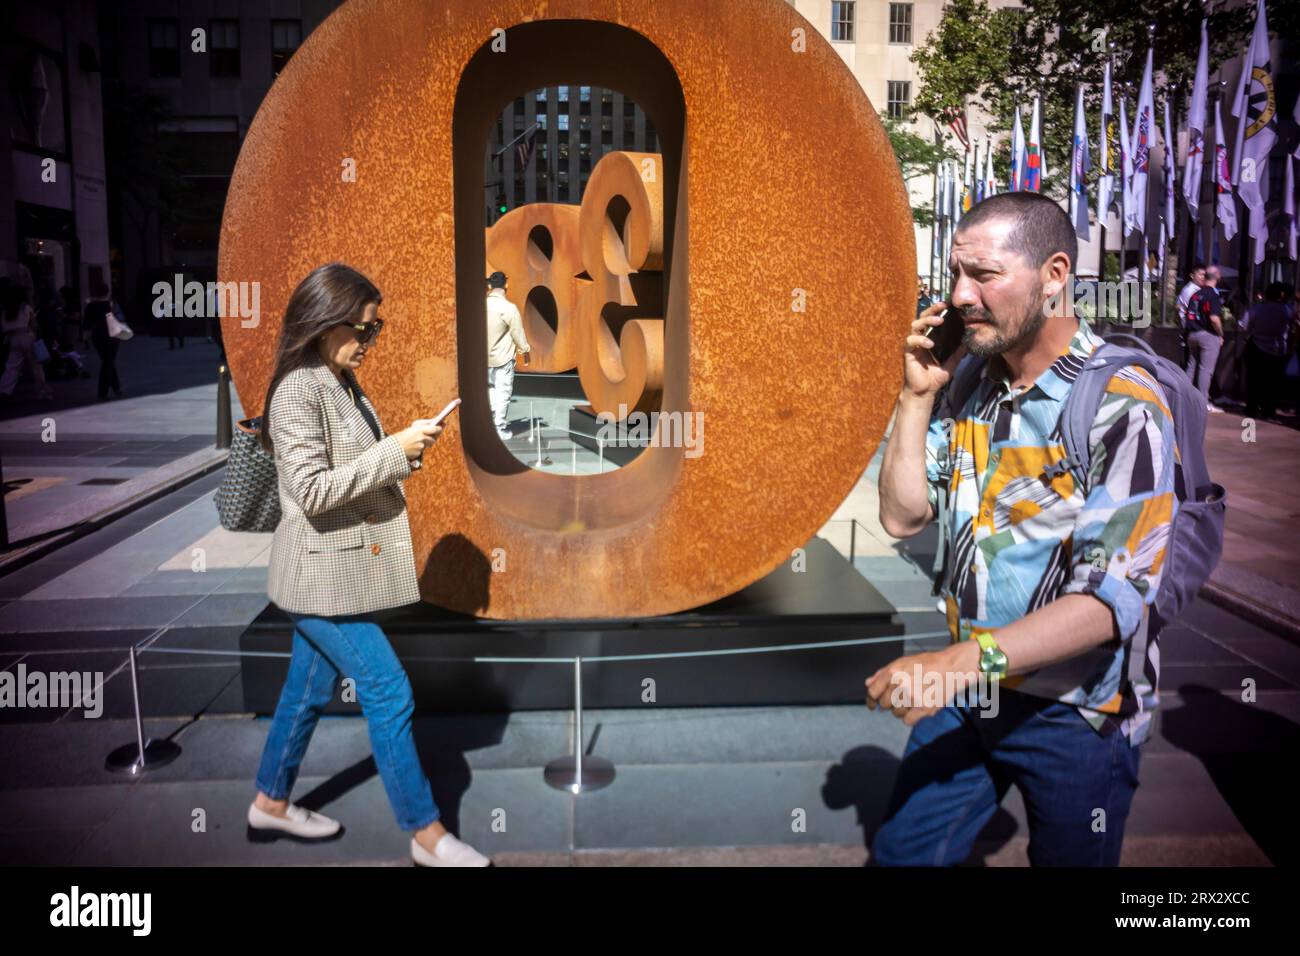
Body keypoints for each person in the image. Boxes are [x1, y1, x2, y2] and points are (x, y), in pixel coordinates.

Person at [872, 192, 1179, 866]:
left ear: (1055, 274)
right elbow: (901, 516)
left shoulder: (1123, 405)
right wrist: (916, 397)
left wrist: (955, 662)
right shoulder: (970, 384)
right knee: (903, 856)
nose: (959, 296)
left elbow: (1109, 602)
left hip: (1077, 715)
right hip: (972, 695)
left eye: (984, 275)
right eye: (955, 274)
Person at [252, 262, 489, 867]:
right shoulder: (300, 389)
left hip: (327, 574)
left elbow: (355, 468)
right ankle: (426, 834)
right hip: (319, 580)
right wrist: (392, 452)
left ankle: (270, 802)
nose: (369, 340)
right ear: (324, 323)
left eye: (374, 328)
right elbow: (311, 491)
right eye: (361, 329)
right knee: (388, 690)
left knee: (305, 691)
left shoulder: (338, 380)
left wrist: (408, 447)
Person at [1240, 282, 1295, 420]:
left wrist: (1248, 336)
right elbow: (1293, 327)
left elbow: (1244, 325)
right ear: (1281, 295)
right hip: (1278, 350)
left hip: (1257, 347)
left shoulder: (1257, 309)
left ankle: (1251, 408)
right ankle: (1268, 410)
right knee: (1272, 382)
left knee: (1254, 380)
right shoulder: (1287, 310)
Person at [485, 270, 529, 439]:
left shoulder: (480, 305)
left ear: (490, 286)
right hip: (503, 359)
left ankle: (489, 422)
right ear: (506, 285)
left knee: (490, 390)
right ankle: (499, 427)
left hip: (482, 359)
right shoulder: (509, 308)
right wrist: (525, 350)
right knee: (503, 392)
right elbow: (518, 333)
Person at [0, 282, 55, 400]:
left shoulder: (7, 310)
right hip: (28, 336)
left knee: (12, 366)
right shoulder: (26, 308)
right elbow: (34, 325)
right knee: (36, 366)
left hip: (13, 338)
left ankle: (4, 390)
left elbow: (4, 327)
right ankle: (42, 392)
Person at [1184, 265, 1225, 413]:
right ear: (1217, 276)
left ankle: (1184, 398)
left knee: (1191, 367)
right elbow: (1214, 318)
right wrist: (1220, 333)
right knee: (1205, 371)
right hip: (1207, 335)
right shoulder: (1213, 295)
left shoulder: (1196, 294)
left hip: (1192, 334)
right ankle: (1203, 402)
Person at [82, 281, 123, 400]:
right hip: (113, 336)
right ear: (108, 292)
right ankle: (103, 392)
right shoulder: (112, 304)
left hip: (98, 337)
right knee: (108, 362)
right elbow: (120, 318)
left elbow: (87, 325)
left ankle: (116, 388)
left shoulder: (90, 306)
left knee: (107, 361)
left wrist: (85, 340)